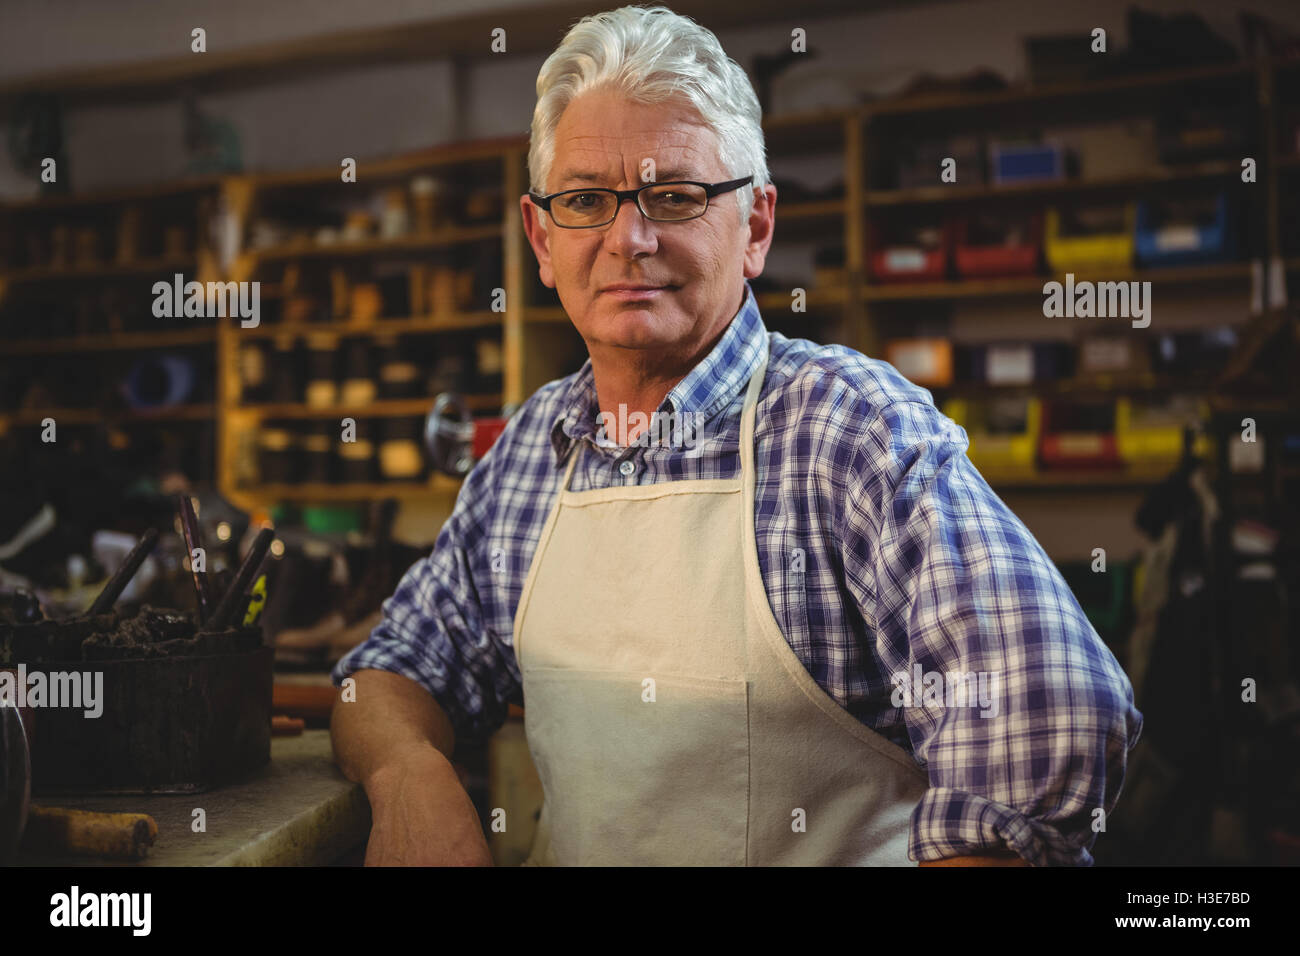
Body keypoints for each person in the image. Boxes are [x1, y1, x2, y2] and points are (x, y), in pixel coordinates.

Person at [331, 4, 1143, 866]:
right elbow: (384, 672)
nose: (627, 239)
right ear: (541, 236)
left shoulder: (850, 431)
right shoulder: (533, 451)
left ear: (755, 225)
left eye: (673, 196)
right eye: (584, 201)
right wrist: (409, 774)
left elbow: (1054, 714)